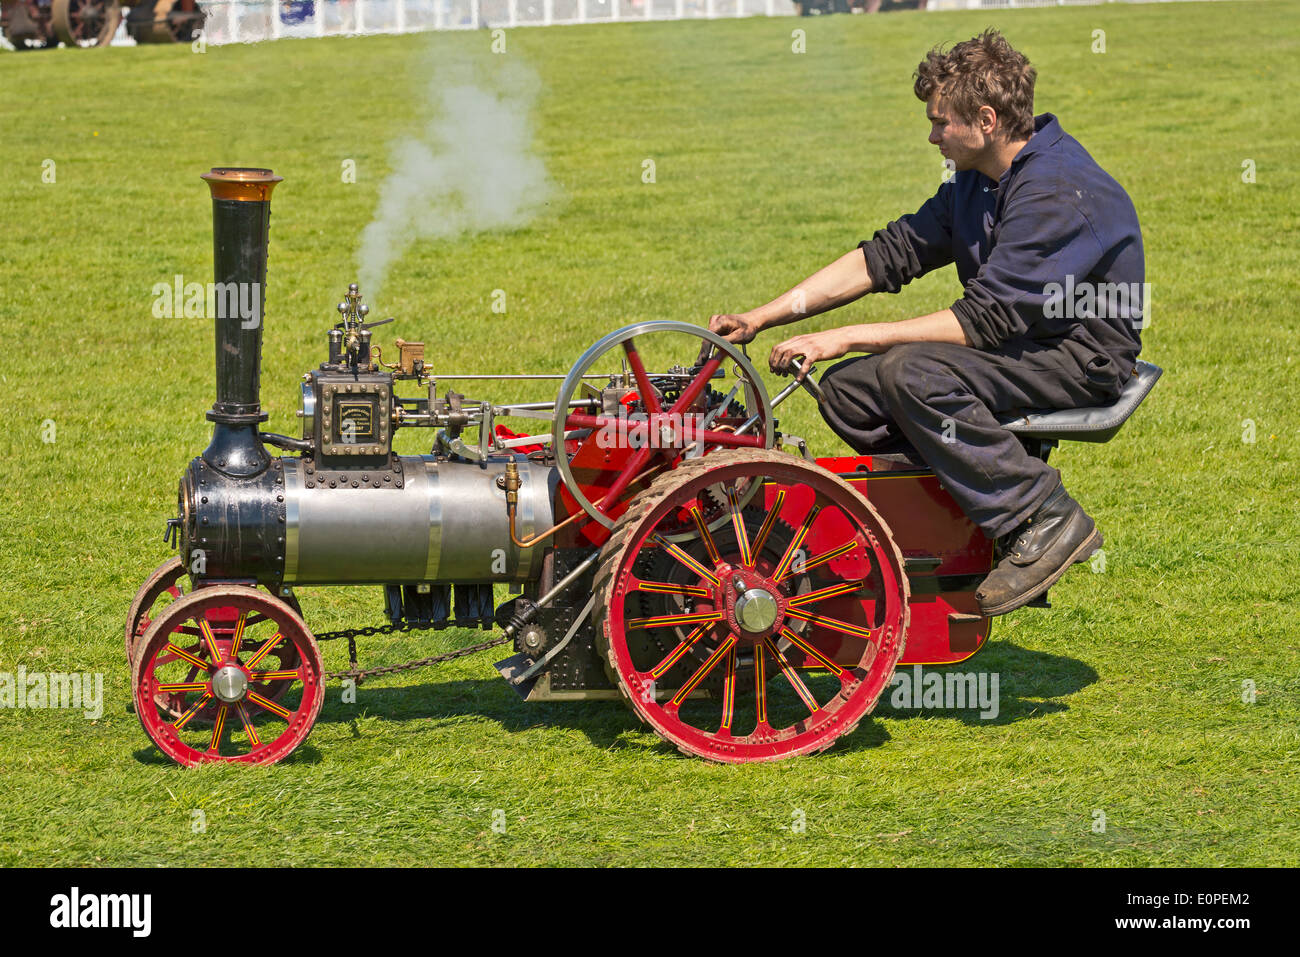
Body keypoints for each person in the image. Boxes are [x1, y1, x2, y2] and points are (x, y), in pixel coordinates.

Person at [706, 28, 1145, 617]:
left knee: (912, 373)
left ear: (985, 120)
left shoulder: (1055, 189)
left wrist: (846, 336)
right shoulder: (977, 180)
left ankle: (1042, 517)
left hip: (1076, 358)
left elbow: (984, 319)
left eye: (941, 122)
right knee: (850, 392)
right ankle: (956, 523)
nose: (932, 134)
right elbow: (890, 254)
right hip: (1024, 343)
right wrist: (762, 316)